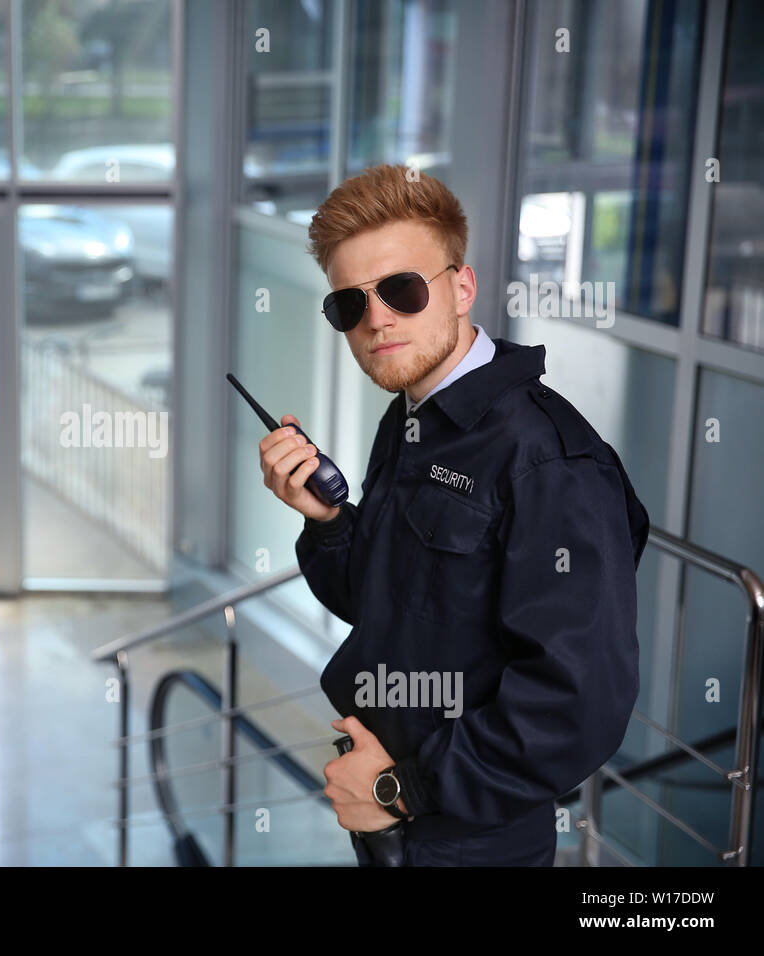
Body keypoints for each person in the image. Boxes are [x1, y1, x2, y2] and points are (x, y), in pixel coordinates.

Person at [257, 164, 650, 866]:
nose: (376, 318)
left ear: (461, 287)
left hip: (473, 835)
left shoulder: (549, 462)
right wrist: (326, 521)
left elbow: (580, 702)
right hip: (392, 810)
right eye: (349, 304)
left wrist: (401, 787)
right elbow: (381, 605)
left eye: (401, 290)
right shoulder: (411, 419)